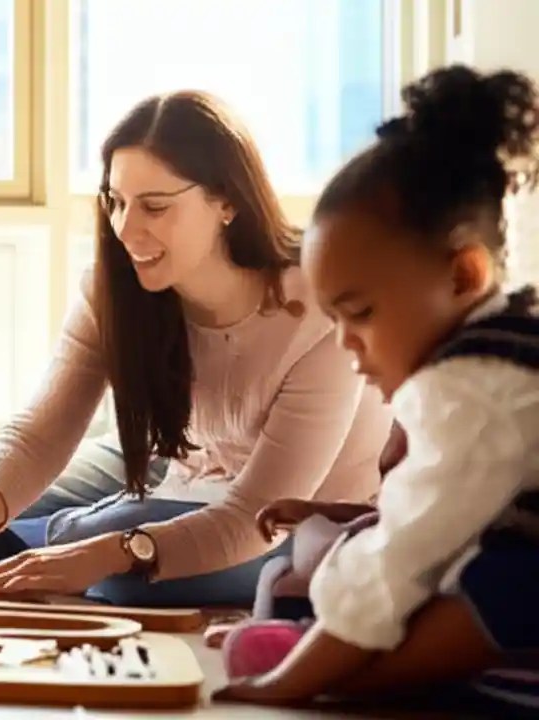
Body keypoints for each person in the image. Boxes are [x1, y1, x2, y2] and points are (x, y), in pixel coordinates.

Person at [0, 90, 391, 609]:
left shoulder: (315, 309)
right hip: (190, 464)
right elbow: (41, 434)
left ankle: (50, 550)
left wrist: (116, 549)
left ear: (227, 201)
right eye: (115, 201)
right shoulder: (116, 290)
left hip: (293, 519)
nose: (126, 228)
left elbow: (252, 516)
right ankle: (42, 548)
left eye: (155, 207)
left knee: (124, 570)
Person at [216, 65, 539, 716]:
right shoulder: (503, 347)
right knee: (363, 545)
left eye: (359, 314)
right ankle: (325, 647)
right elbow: (433, 513)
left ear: (463, 274)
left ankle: (337, 671)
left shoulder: (468, 388)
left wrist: (292, 683)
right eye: (332, 320)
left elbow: (401, 559)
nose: (345, 343)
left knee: (491, 579)